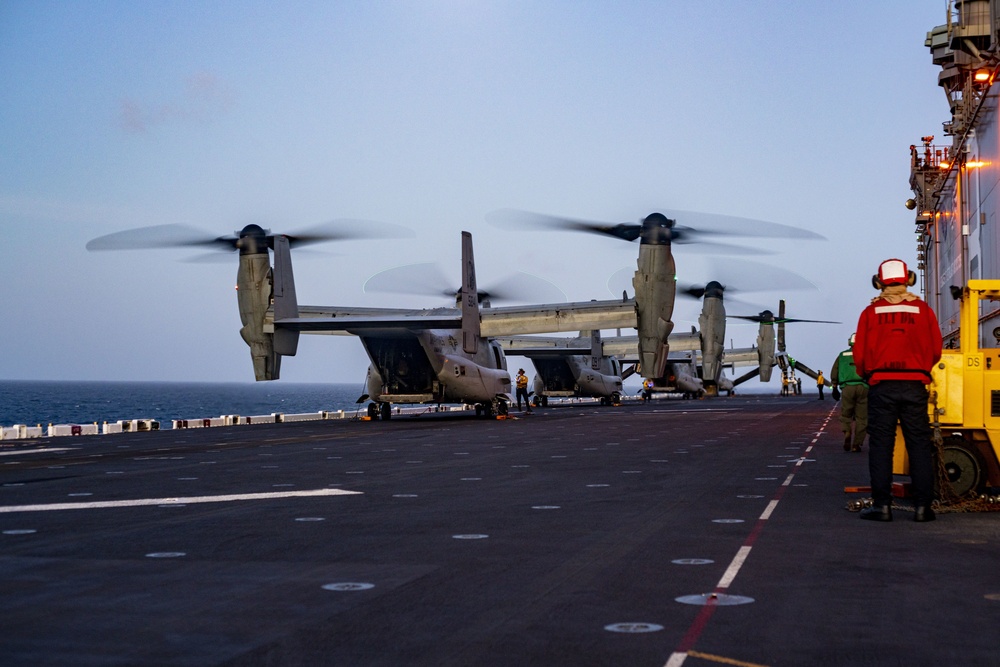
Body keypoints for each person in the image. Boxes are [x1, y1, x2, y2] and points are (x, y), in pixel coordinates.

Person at [853, 258, 942, 522]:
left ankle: (882, 507)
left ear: (878, 282)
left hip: (881, 386)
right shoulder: (923, 310)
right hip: (915, 385)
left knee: (881, 446)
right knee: (919, 446)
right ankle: (923, 508)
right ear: (909, 279)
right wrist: (921, 368)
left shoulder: (870, 313)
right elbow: (936, 348)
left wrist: (868, 374)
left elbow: (859, 356)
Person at [831, 333, 869, 452]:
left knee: (846, 414)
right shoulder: (867, 354)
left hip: (847, 387)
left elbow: (834, 371)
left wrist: (835, 386)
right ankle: (856, 444)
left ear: (850, 342)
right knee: (862, 418)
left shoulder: (842, 355)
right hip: (864, 387)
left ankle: (847, 432)